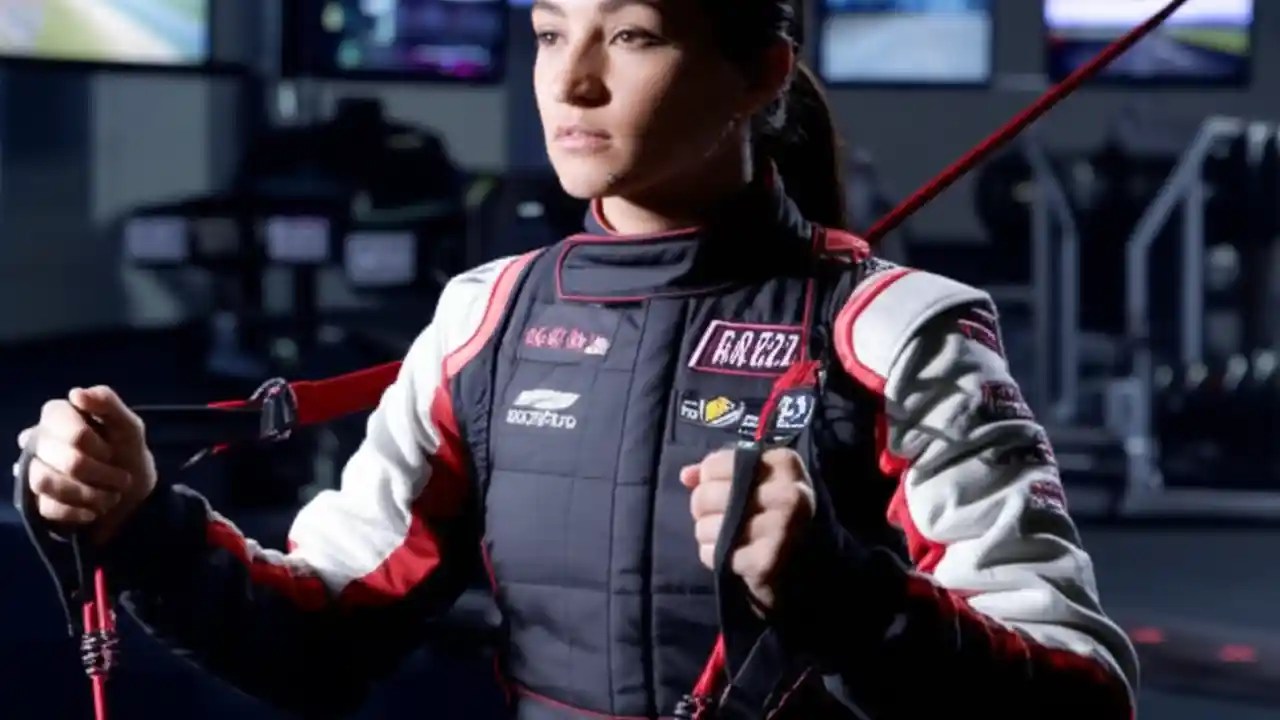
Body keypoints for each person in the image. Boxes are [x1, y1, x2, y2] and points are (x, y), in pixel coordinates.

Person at [15, 0, 1139, 717]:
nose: (572, 81)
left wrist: (839, 597)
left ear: (760, 73)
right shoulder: (482, 317)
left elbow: (1079, 698)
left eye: (632, 34)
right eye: (552, 31)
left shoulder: (896, 332)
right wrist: (138, 521)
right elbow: (317, 643)